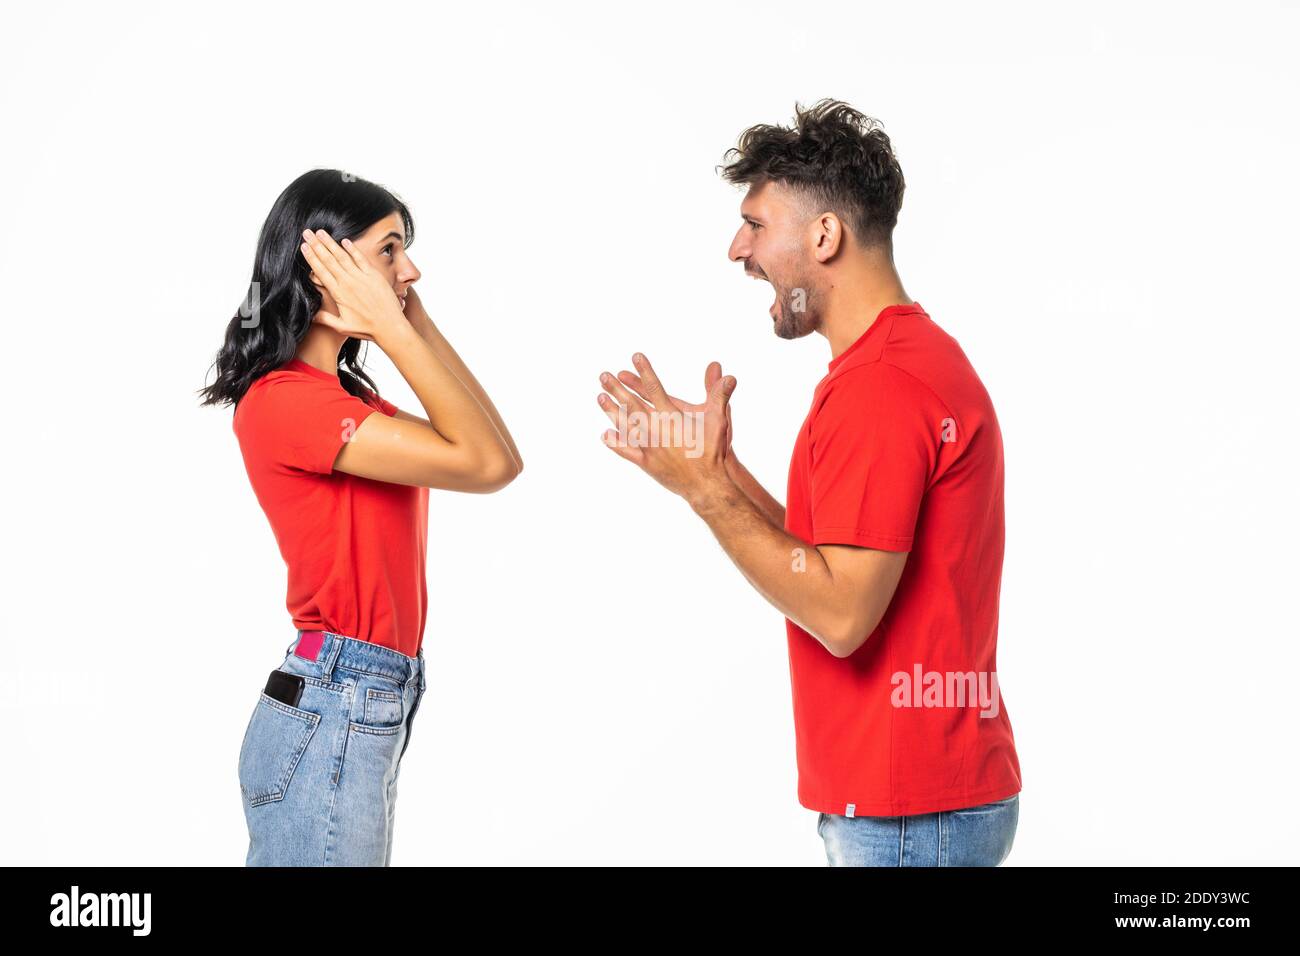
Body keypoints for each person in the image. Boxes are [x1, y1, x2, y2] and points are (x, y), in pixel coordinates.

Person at [595, 100, 1021, 866]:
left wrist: (706, 493)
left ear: (825, 236)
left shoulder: (883, 386)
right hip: (918, 804)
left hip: (909, 818)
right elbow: (832, 559)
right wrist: (718, 471)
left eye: (756, 225)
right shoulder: (892, 365)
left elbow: (841, 611)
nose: (737, 248)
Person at [200, 169, 522, 865]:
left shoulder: (348, 401)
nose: (411, 269)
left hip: (360, 698)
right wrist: (388, 321)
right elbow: (484, 463)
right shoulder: (287, 402)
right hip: (337, 699)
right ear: (328, 266)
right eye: (390, 250)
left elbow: (498, 454)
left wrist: (412, 319)